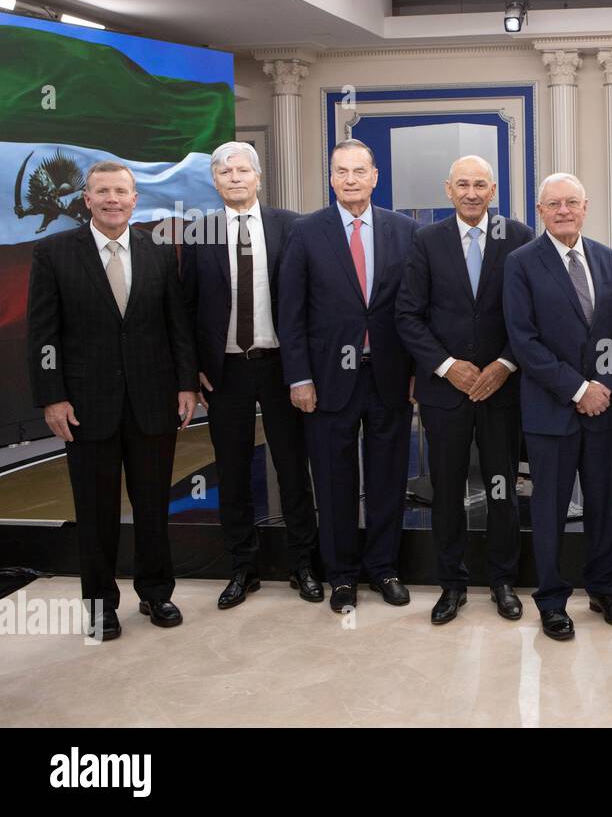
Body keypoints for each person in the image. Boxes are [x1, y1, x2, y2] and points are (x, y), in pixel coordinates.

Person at [26, 161, 198, 640]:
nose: (112, 199)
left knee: (152, 505)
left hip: (154, 401)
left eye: (121, 191)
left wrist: (186, 385)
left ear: (135, 198)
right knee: (96, 511)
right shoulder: (54, 252)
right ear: (86, 199)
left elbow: (177, 327)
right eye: (102, 191)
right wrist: (52, 397)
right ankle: (101, 605)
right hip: (85, 406)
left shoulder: (160, 252)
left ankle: (156, 592)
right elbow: (43, 335)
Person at [277, 139, 418, 613]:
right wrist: (298, 377)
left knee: (388, 478)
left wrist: (418, 373)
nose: (351, 179)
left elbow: (415, 310)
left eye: (360, 170)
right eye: (342, 171)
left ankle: (384, 569)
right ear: (331, 177)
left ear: (375, 176)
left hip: (390, 376)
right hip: (326, 381)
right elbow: (290, 312)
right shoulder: (306, 231)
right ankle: (341, 576)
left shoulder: (406, 231)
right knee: (334, 481)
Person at [181, 141, 322, 609]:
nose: (235, 178)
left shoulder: (293, 226)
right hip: (225, 373)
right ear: (215, 182)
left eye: (243, 170)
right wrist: (191, 371)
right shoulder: (198, 232)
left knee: (292, 468)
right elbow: (186, 308)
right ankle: (243, 567)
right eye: (225, 172)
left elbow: (309, 300)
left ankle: (304, 563)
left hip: (283, 367)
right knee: (234, 471)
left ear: (259, 177)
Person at [396, 155, 533, 625]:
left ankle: (502, 581)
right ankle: (451, 584)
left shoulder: (517, 236)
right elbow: (408, 315)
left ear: (493, 190)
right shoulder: (426, 240)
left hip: (502, 391)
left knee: (502, 490)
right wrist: (447, 366)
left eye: (480, 185)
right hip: (445, 393)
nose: (471, 193)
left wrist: (505, 363)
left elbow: (531, 315)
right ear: (448, 190)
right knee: (447, 490)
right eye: (462, 185)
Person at [502, 173, 612, 641]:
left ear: (585, 206)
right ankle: (552, 600)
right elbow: (524, 339)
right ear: (540, 211)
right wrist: (579, 389)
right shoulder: (521, 263)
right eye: (553, 204)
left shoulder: (607, 258)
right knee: (550, 510)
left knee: (603, 507)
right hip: (550, 412)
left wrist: (604, 384)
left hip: (601, 410)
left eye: (571, 202)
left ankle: (604, 588)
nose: (563, 210)